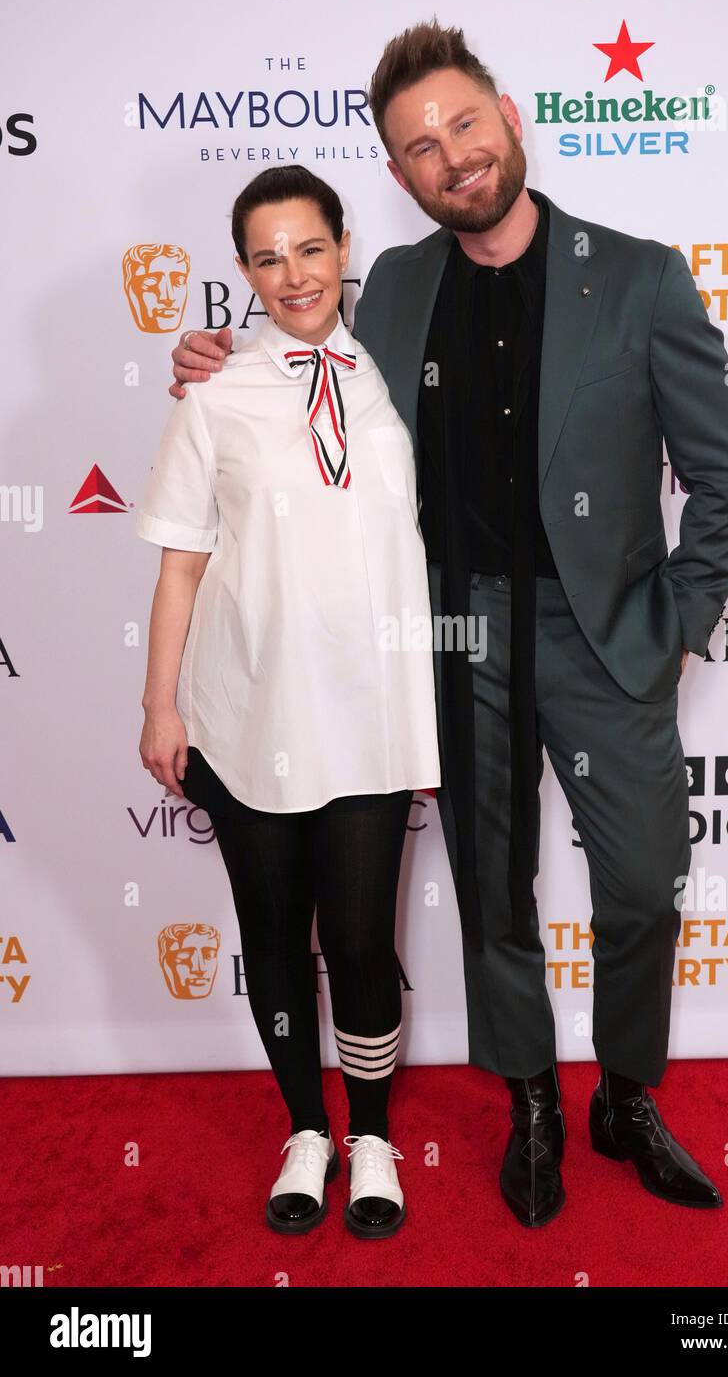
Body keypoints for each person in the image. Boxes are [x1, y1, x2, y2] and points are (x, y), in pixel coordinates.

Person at [167, 21, 728, 1228]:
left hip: (604, 638)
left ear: (506, 116)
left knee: (643, 883)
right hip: (455, 639)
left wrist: (680, 621)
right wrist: (213, 356)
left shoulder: (638, 275)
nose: (451, 158)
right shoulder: (392, 295)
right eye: (418, 148)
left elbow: (721, 471)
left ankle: (626, 1093)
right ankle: (530, 1096)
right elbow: (298, 364)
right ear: (398, 177)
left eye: (462, 126)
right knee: (492, 889)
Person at [137, 164, 441, 1239]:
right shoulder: (214, 391)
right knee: (272, 937)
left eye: (308, 248)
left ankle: (370, 1137)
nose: (292, 273)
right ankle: (303, 1129)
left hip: (367, 717)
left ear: (344, 244)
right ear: (242, 272)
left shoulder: (402, 371)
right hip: (241, 713)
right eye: (266, 257)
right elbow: (179, 561)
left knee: (358, 940)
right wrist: (158, 708)